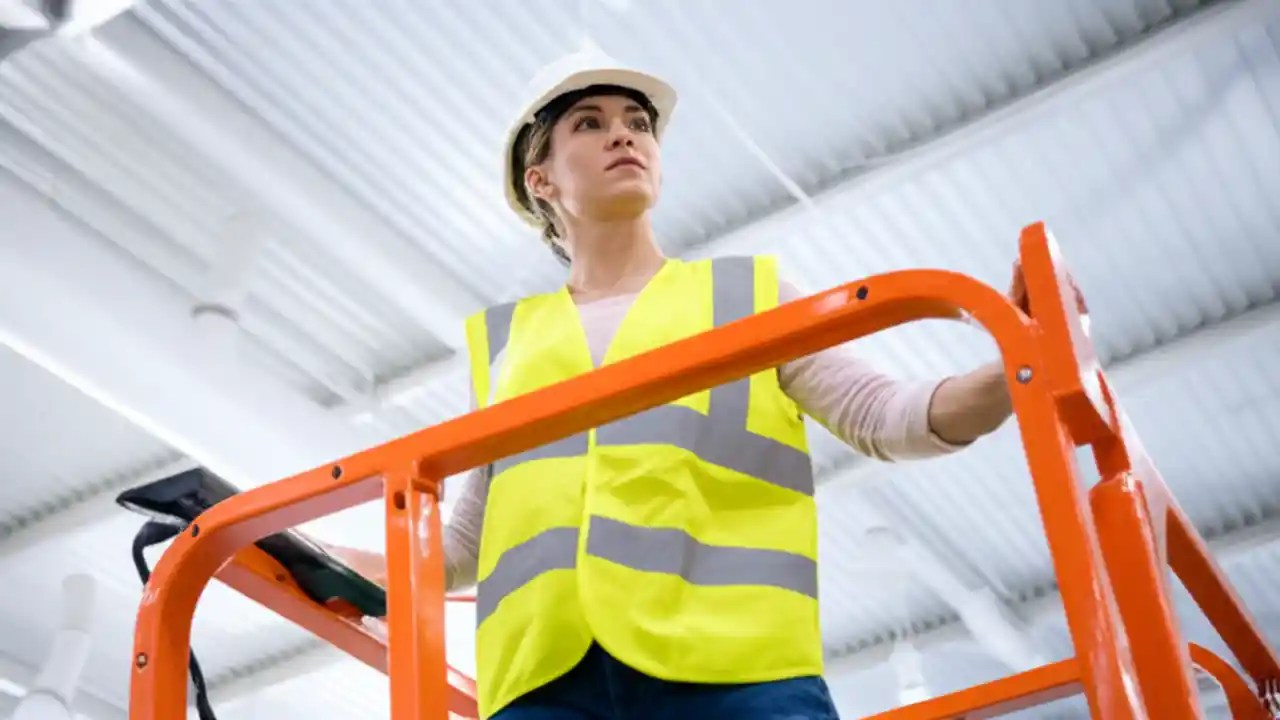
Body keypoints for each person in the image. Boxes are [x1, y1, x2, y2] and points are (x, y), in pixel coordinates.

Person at [334, 49, 1043, 720]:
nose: (625, 137)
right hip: (543, 684)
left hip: (734, 673)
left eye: (638, 125)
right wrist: (313, 554)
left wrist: (1017, 363)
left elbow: (886, 416)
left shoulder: (748, 295)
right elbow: (464, 544)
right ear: (539, 179)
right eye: (591, 124)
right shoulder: (505, 345)